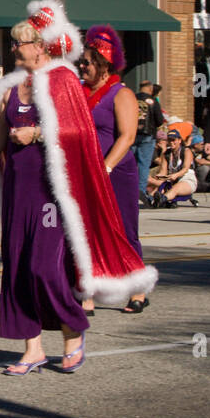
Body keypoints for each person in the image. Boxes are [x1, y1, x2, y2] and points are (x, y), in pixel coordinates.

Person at [0, 0, 156, 373]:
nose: (14, 48)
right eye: (14, 43)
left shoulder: (62, 81)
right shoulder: (12, 88)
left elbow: (80, 132)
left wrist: (40, 133)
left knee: (45, 267)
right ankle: (32, 349)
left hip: (52, 192)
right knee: (17, 267)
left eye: (19, 43)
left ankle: (73, 333)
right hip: (17, 190)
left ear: (41, 45)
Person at [77, 25, 141, 316]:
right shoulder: (79, 92)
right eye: (82, 61)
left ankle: (137, 289)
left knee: (124, 230)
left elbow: (127, 137)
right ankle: (88, 292)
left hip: (116, 172)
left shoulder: (121, 93)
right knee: (87, 232)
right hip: (86, 172)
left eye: (87, 61)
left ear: (103, 65)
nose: (82, 66)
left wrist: (106, 167)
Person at [134, 80, 165, 199]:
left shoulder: (132, 98)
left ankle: (128, 190)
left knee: (130, 164)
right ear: (151, 89)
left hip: (132, 135)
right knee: (143, 165)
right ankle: (140, 192)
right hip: (147, 135)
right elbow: (159, 120)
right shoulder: (152, 101)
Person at [152, 129, 198, 209]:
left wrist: (175, 175)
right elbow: (163, 172)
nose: (171, 142)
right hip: (171, 178)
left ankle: (162, 199)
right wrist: (157, 178)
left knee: (175, 188)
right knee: (155, 181)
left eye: (174, 140)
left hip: (187, 178)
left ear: (179, 140)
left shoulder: (186, 151)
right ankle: (150, 197)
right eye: (169, 140)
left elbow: (185, 169)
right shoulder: (166, 153)